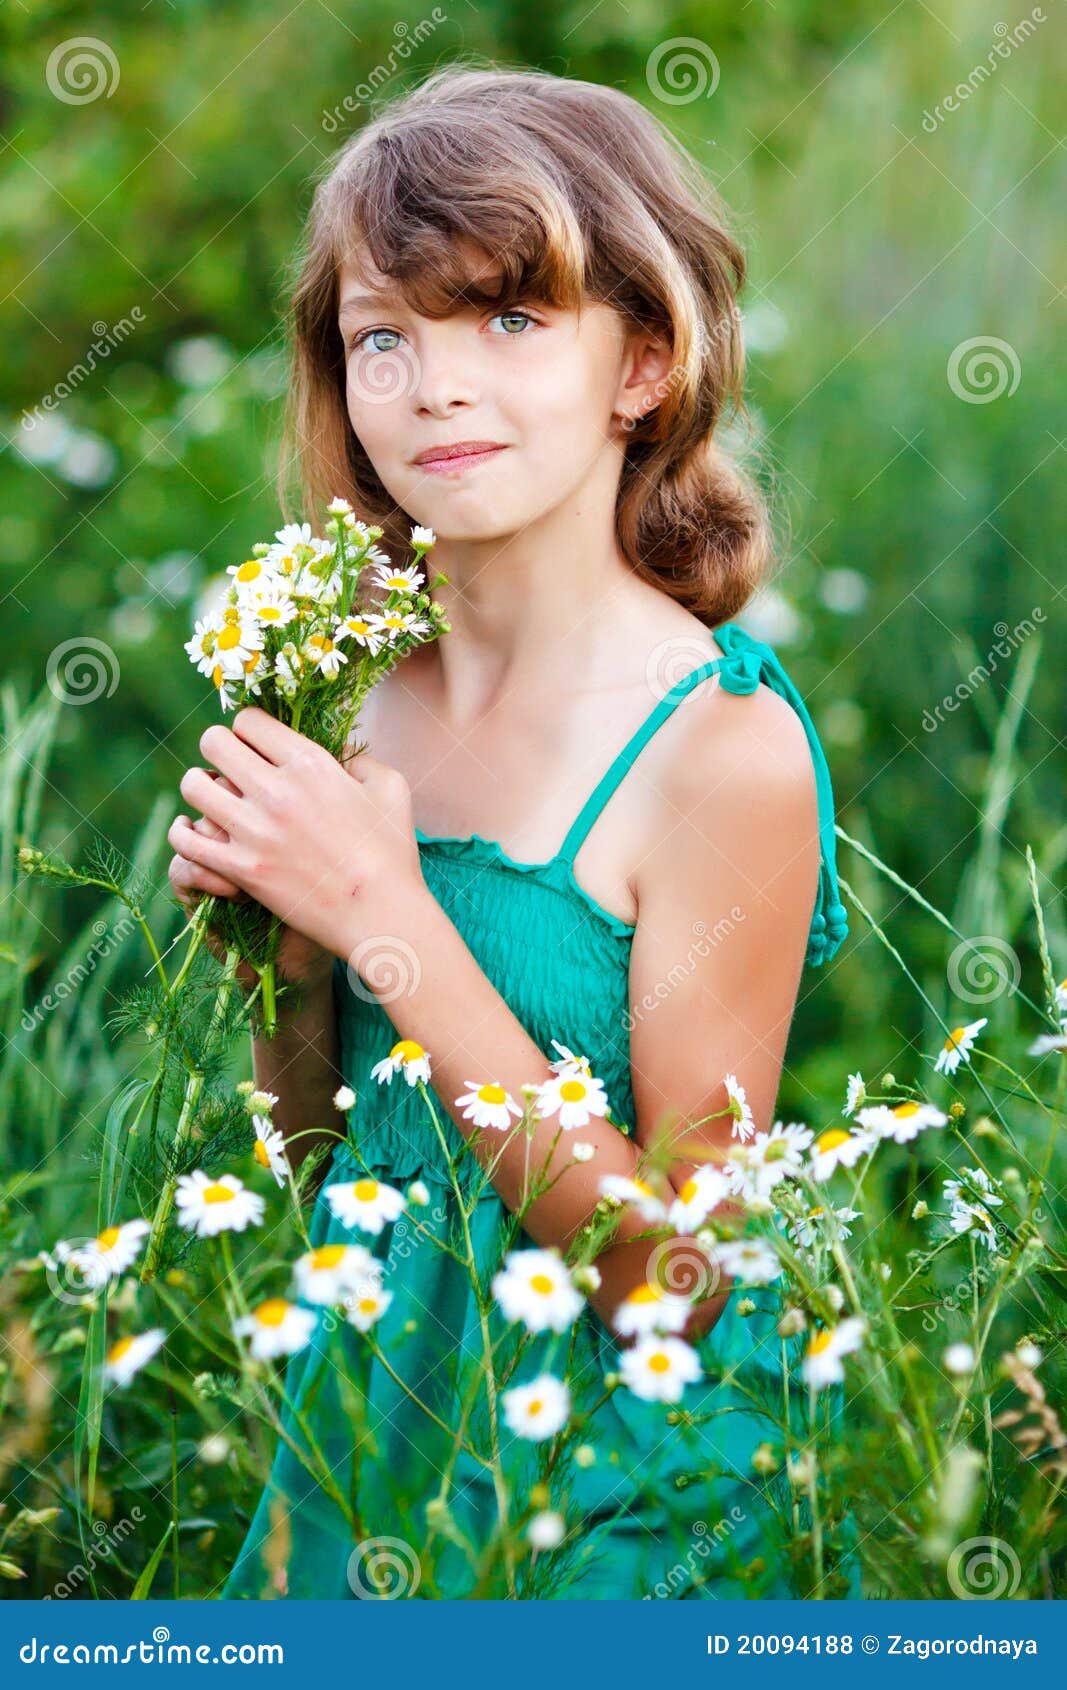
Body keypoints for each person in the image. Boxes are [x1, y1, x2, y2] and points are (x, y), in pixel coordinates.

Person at [167, 64, 853, 1600]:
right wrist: (289, 933)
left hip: (608, 1496)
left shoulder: (717, 749)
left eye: (511, 319)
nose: (437, 385)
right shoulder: (342, 686)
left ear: (645, 362)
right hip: (369, 1444)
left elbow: (678, 1282)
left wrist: (387, 911)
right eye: (383, 338)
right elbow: (329, 1168)